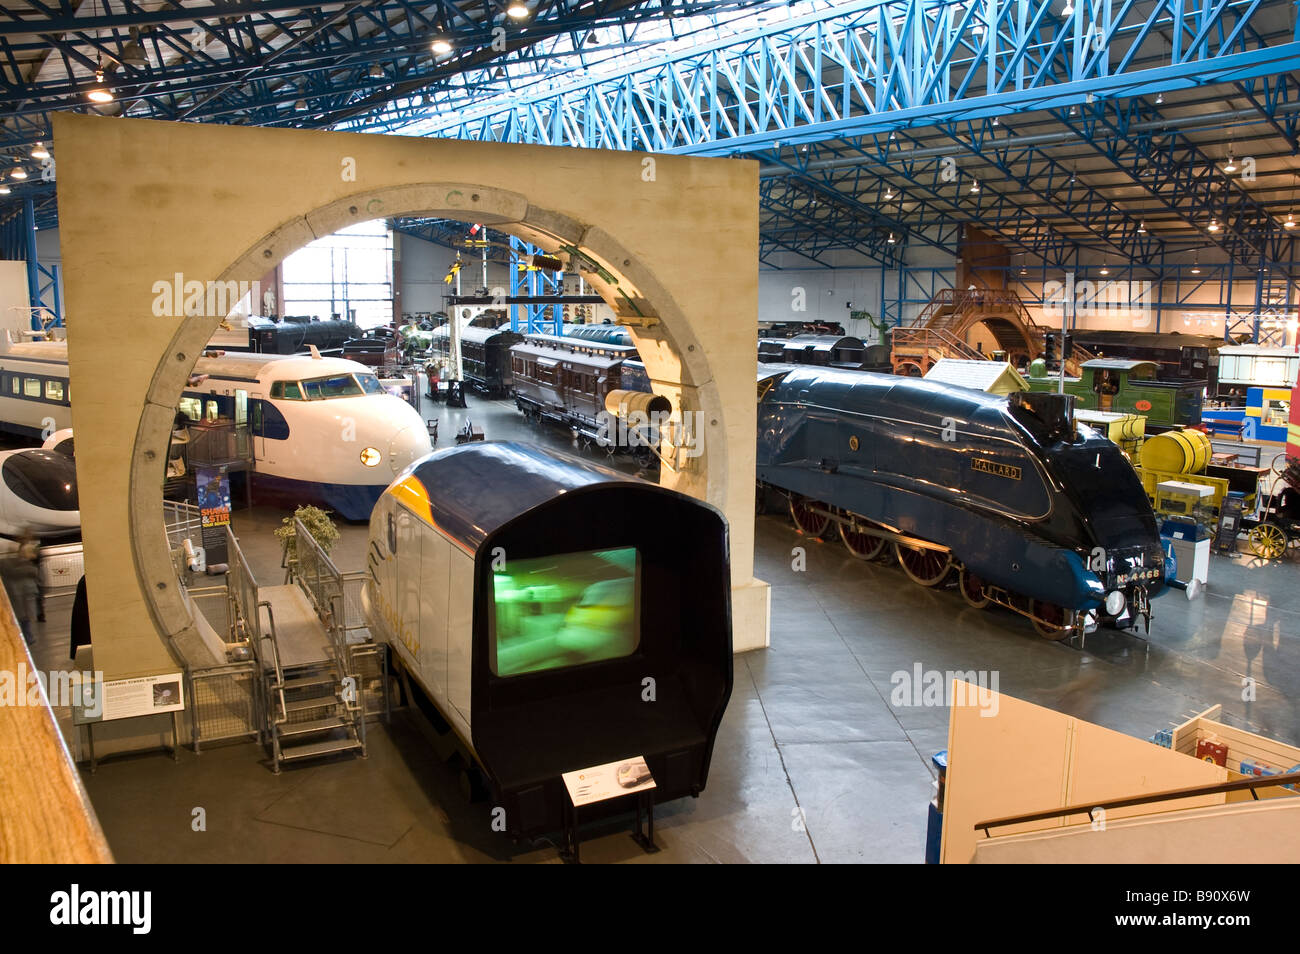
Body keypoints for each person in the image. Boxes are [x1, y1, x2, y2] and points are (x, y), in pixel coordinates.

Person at [1, 531, 41, 644]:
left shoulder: (15, 563)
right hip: (18, 592)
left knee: (22, 616)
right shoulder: (16, 564)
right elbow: (32, 571)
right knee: (22, 616)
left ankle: (26, 637)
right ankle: (26, 637)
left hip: (18, 593)